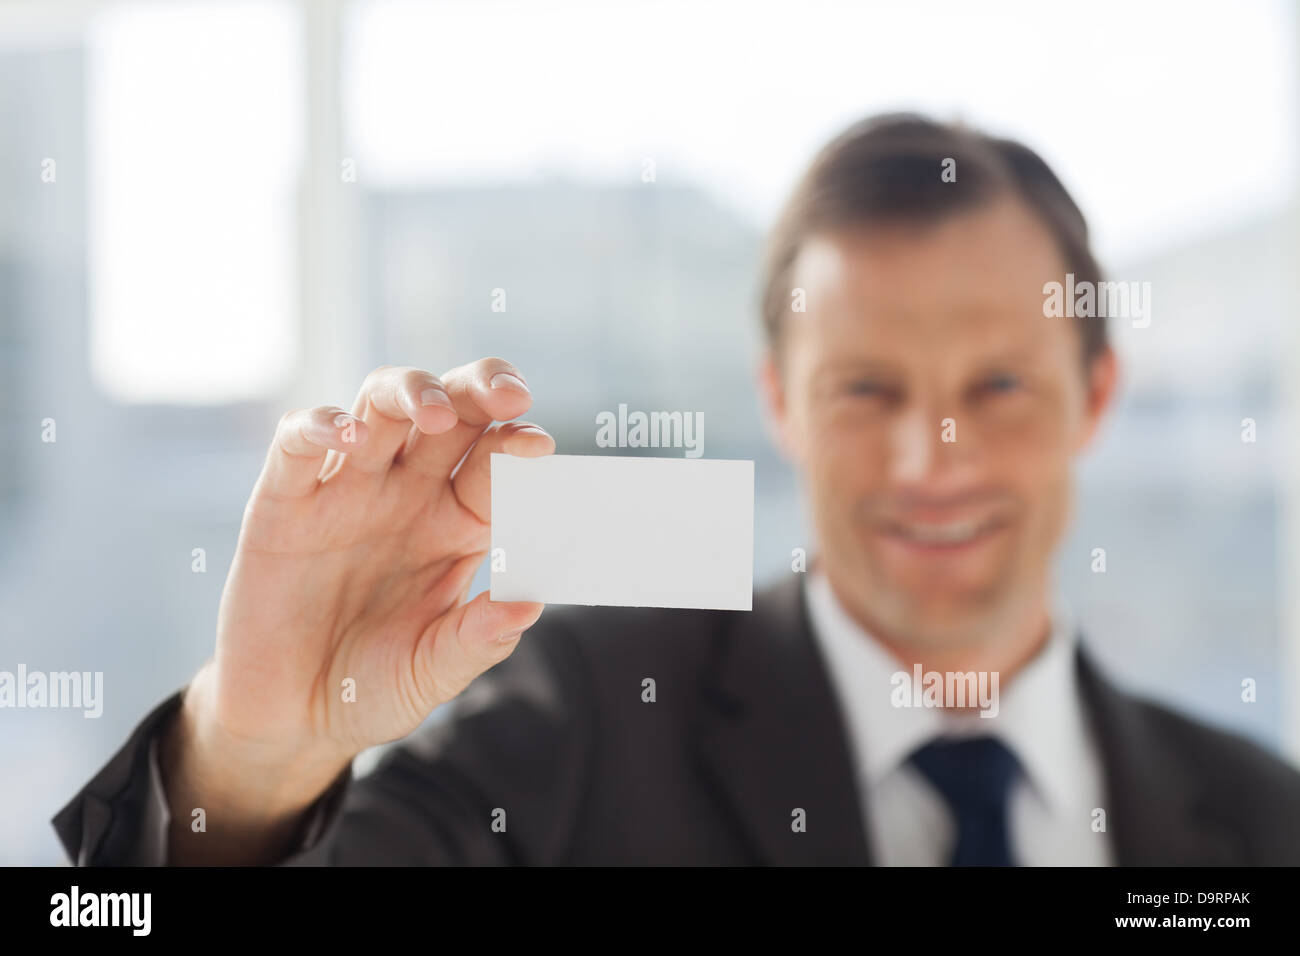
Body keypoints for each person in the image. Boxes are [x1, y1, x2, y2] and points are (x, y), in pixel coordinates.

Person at [53, 114, 1300, 865]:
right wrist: (250, 761)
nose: (931, 457)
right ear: (778, 402)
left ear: (1094, 395)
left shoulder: (1257, 816)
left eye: (1000, 386)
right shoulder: (583, 710)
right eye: (865, 387)